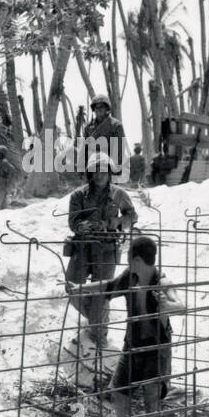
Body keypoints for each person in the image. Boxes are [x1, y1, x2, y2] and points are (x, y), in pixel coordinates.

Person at [68, 235, 184, 417]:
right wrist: (80, 288)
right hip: (132, 346)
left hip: (155, 349)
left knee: (152, 402)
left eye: (130, 258)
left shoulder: (162, 282)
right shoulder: (130, 278)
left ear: (138, 260)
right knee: (119, 395)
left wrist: (166, 305)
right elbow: (108, 286)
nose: (128, 263)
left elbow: (180, 305)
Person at [64, 152, 138, 355]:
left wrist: (118, 222)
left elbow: (132, 216)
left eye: (104, 170)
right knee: (72, 288)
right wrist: (84, 226)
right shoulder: (78, 195)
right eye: (95, 170)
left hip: (107, 250)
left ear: (109, 172)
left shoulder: (118, 194)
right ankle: (96, 321)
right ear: (90, 173)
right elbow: (73, 222)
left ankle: (99, 337)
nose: (100, 174)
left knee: (102, 293)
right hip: (83, 248)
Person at [82, 94, 125, 172]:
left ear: (106, 108)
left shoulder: (115, 125)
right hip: (92, 167)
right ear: (94, 109)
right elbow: (84, 150)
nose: (98, 109)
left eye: (101, 106)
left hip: (109, 166)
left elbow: (119, 151)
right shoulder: (88, 127)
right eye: (96, 107)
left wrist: (115, 169)